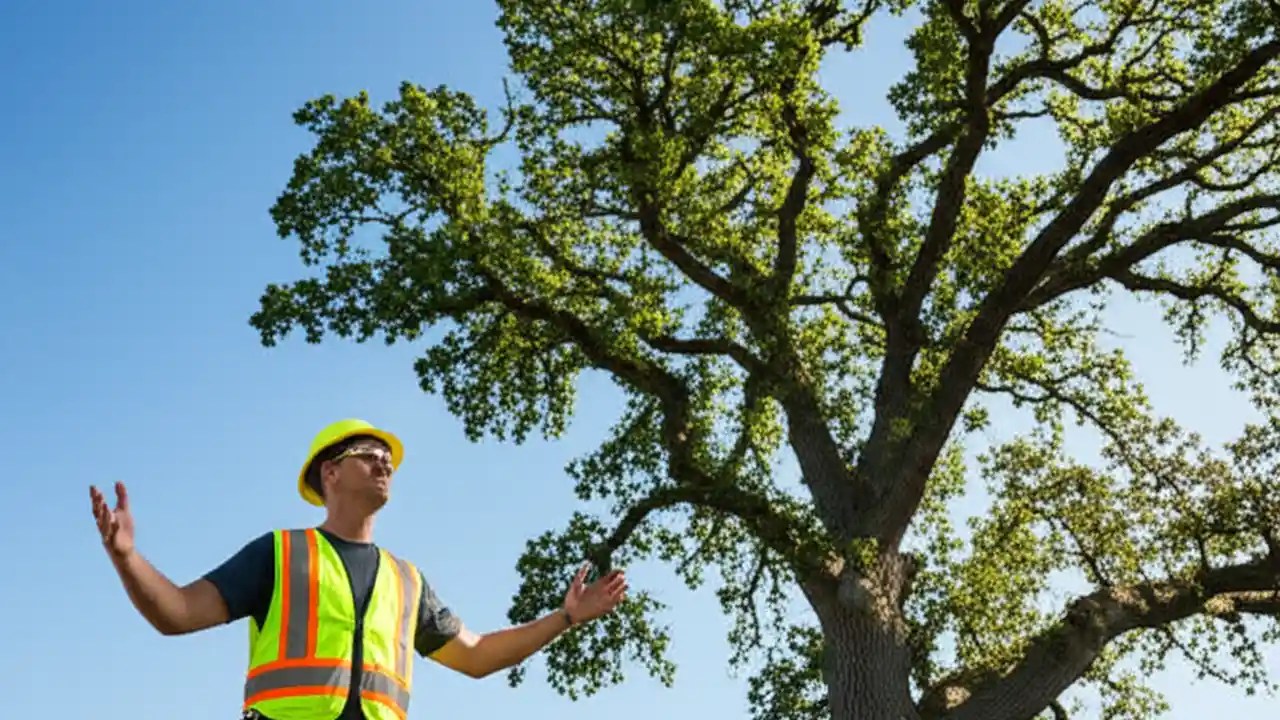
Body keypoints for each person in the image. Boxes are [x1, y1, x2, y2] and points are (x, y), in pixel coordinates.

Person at [88, 418, 627, 720]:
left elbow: (478, 656)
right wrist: (128, 558)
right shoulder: (277, 554)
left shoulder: (407, 581)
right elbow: (177, 613)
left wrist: (566, 618)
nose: (384, 463)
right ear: (331, 473)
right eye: (369, 454)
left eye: (387, 459)